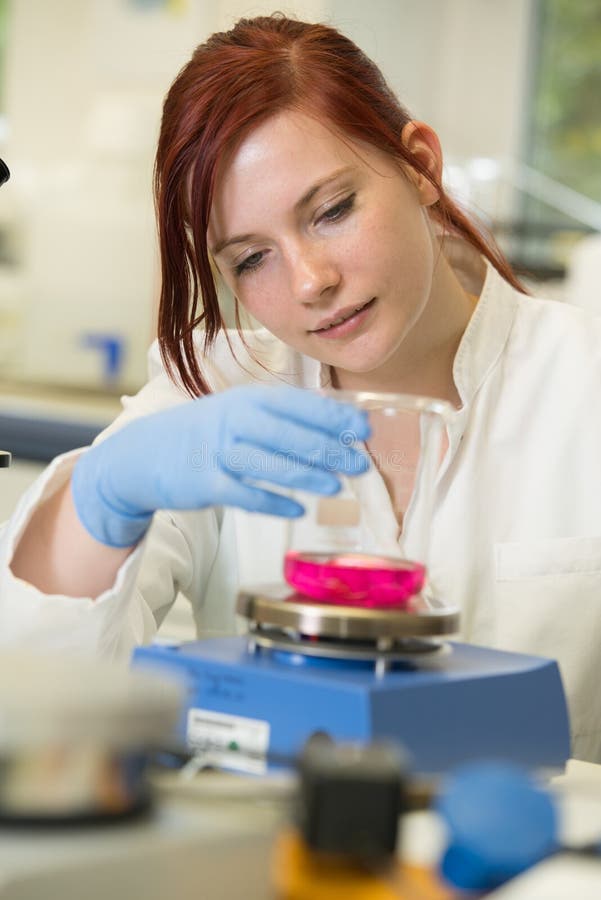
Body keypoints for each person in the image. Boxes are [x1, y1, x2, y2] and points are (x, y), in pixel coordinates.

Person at [1, 14, 601, 762]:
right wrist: (103, 496)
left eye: (332, 211)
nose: (311, 282)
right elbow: (33, 701)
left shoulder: (585, 385)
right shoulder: (213, 394)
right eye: (251, 258)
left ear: (418, 164)